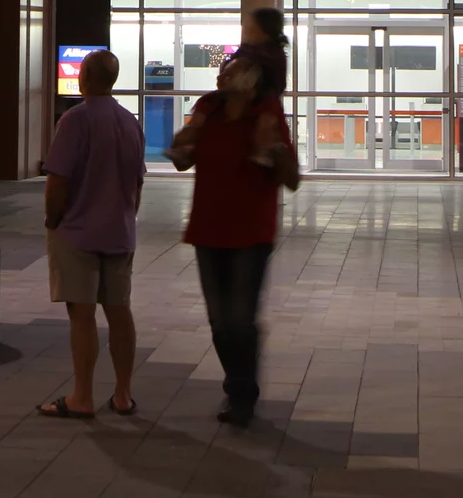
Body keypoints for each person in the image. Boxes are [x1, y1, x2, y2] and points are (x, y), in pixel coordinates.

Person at [168, 42, 299, 428]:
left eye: (232, 69)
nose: (223, 74)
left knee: (240, 318)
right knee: (219, 321)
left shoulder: (266, 113)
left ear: (253, 78)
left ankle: (242, 394)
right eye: (223, 69)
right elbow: (182, 158)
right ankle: (237, 383)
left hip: (250, 232)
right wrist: (184, 142)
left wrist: (273, 149)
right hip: (208, 228)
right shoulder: (208, 108)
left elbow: (292, 180)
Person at [36, 49, 144, 421]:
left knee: (81, 315)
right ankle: (123, 395)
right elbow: (137, 183)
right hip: (119, 230)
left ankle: (82, 395)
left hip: (78, 232)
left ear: (83, 76)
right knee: (119, 311)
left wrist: (53, 221)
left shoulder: (74, 120)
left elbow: (58, 181)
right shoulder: (131, 122)